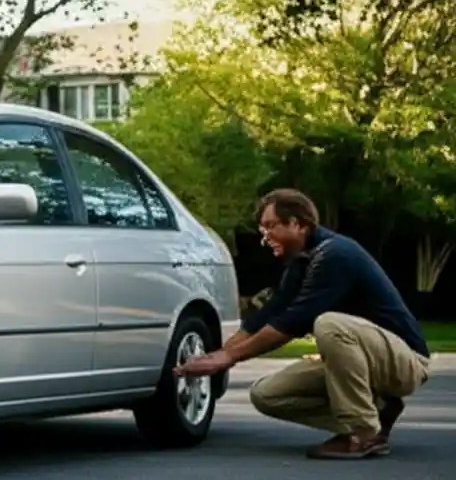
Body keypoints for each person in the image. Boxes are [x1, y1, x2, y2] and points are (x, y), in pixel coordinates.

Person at [175, 188, 430, 459]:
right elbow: (271, 312)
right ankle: (377, 413)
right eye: (262, 229)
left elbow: (293, 322)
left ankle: (362, 432)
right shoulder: (302, 262)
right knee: (266, 395)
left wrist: (228, 358)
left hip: (405, 361)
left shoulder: (336, 255)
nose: (265, 238)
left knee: (329, 324)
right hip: (365, 360)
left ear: (298, 224)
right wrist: (219, 355)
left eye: (270, 227)